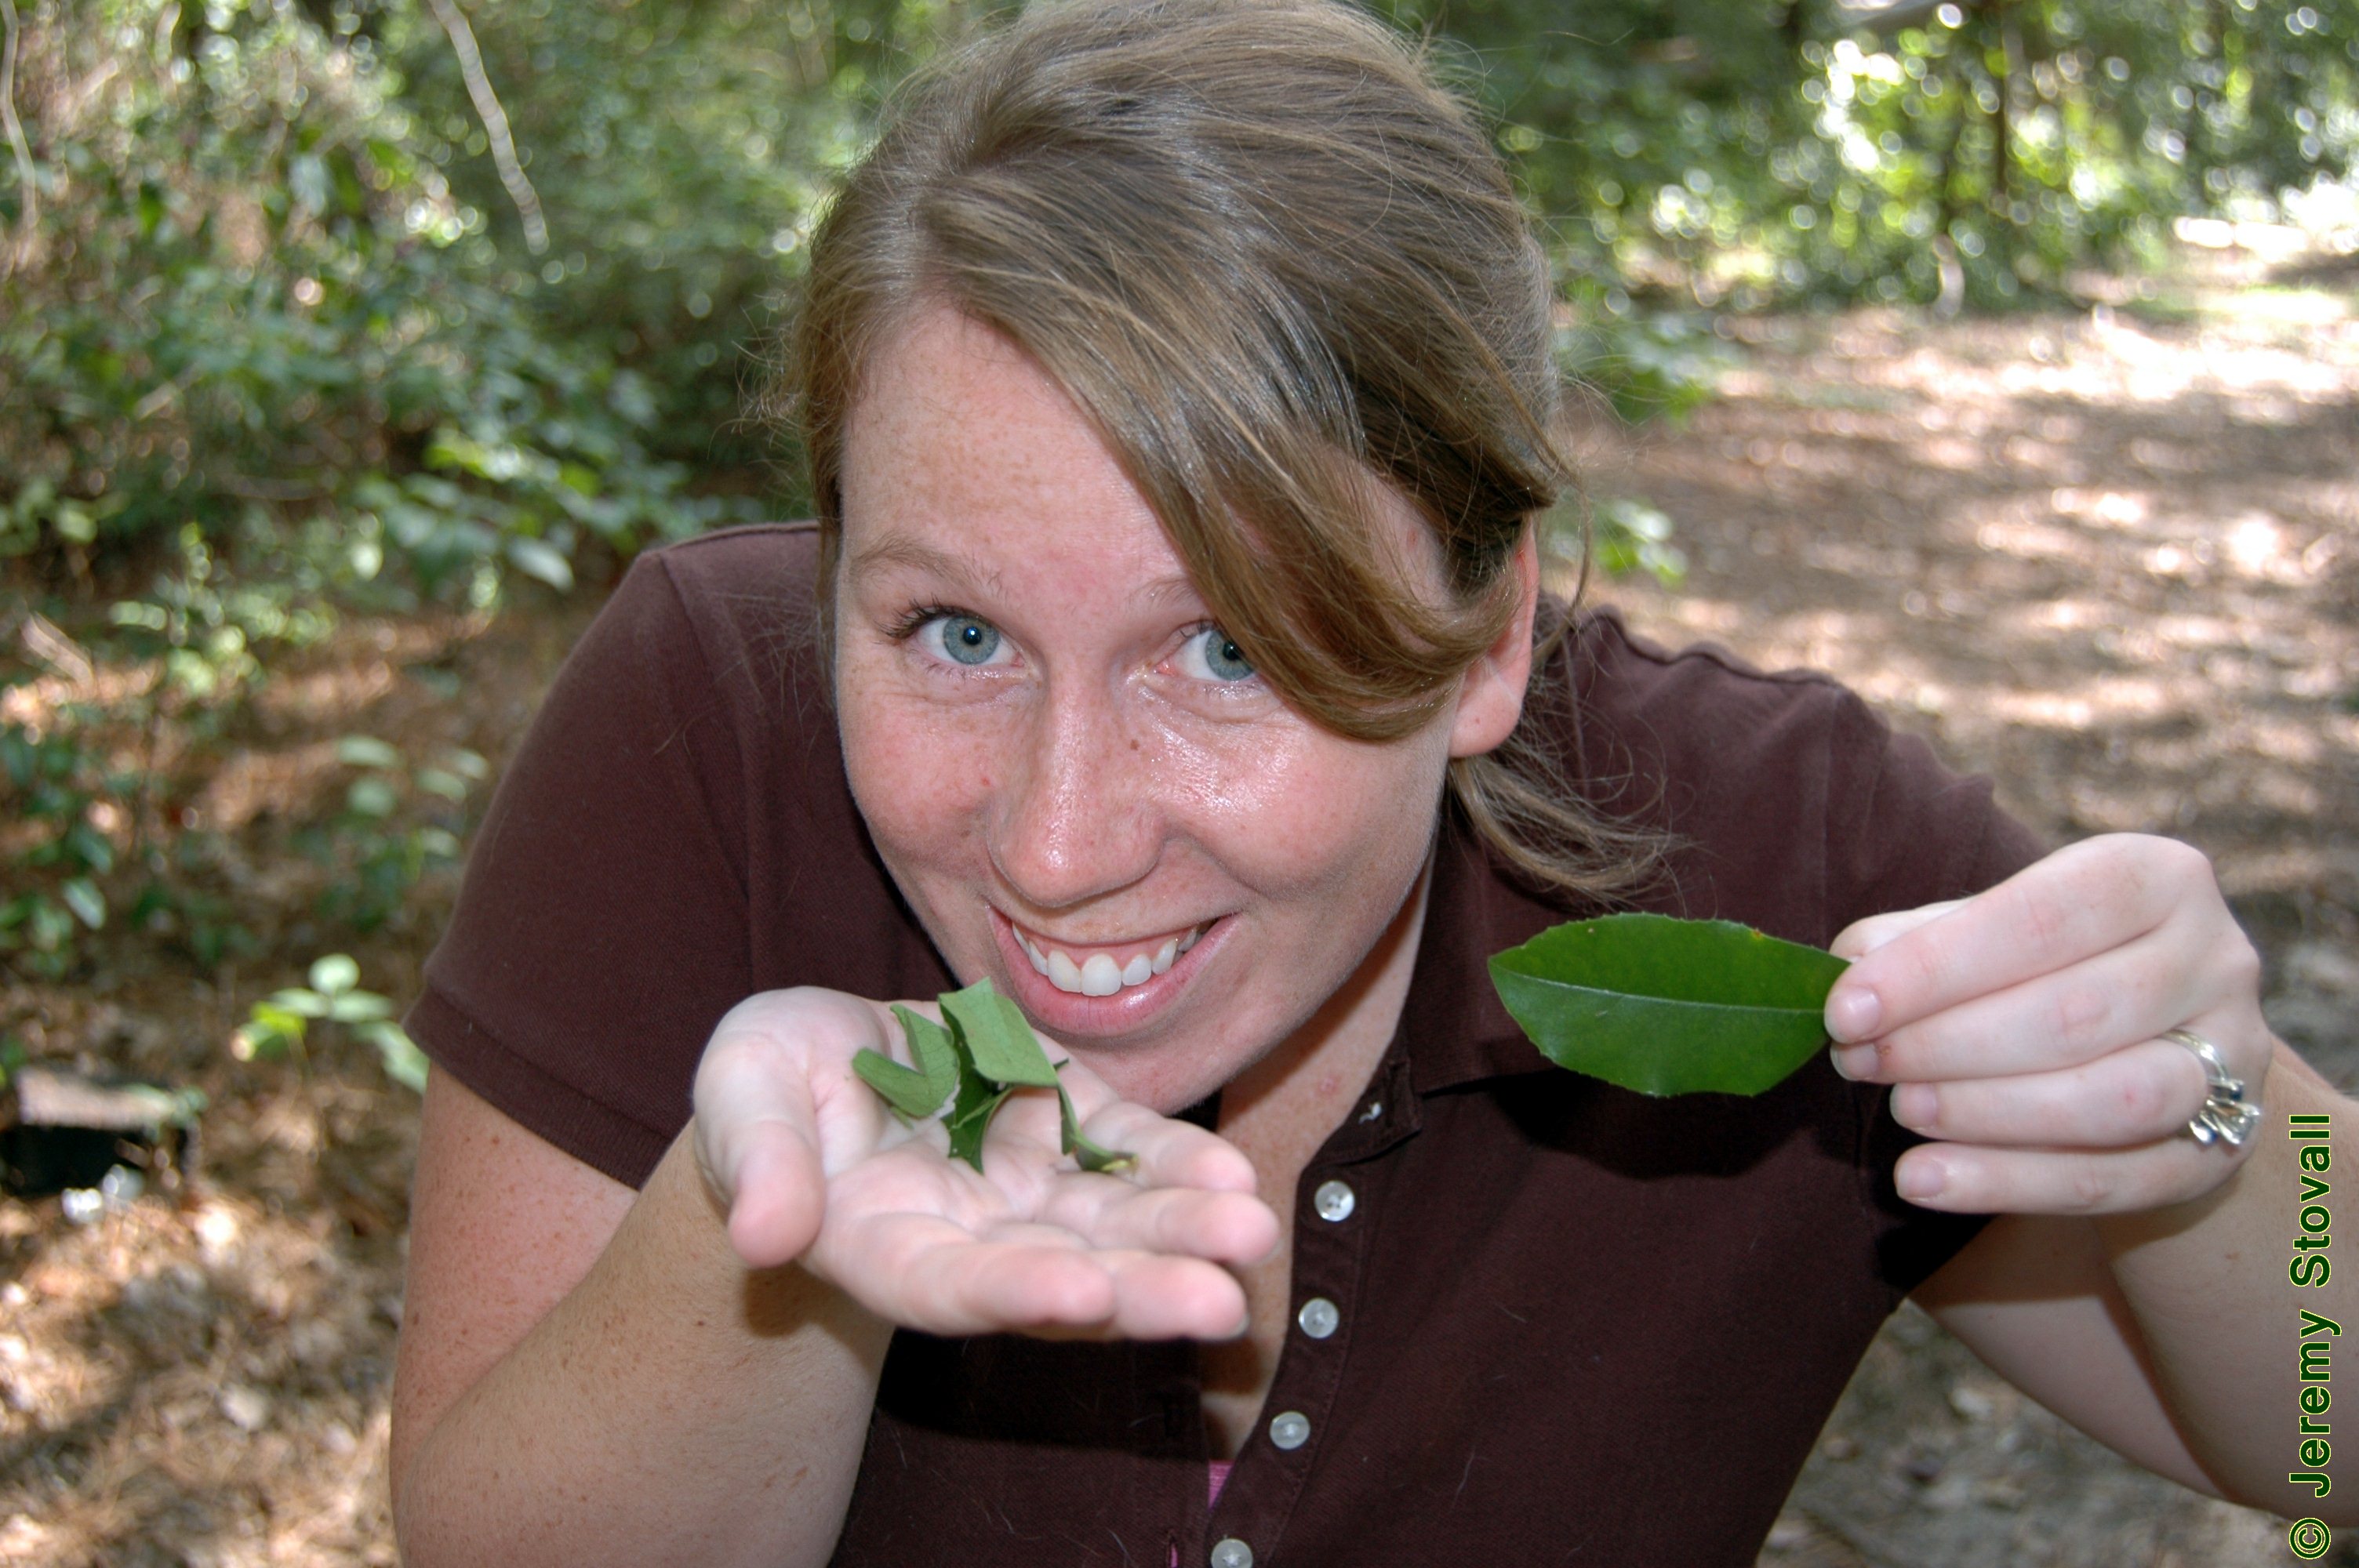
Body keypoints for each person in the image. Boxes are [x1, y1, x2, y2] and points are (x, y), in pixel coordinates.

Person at [385, 2, 2345, 1563]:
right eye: (955, 635)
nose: (1057, 847)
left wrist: (2223, 1123)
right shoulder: (710, 731)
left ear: (1490, 638)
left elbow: (2330, 1420)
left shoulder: (1776, 867)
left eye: (1227, 647)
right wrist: (763, 1221)